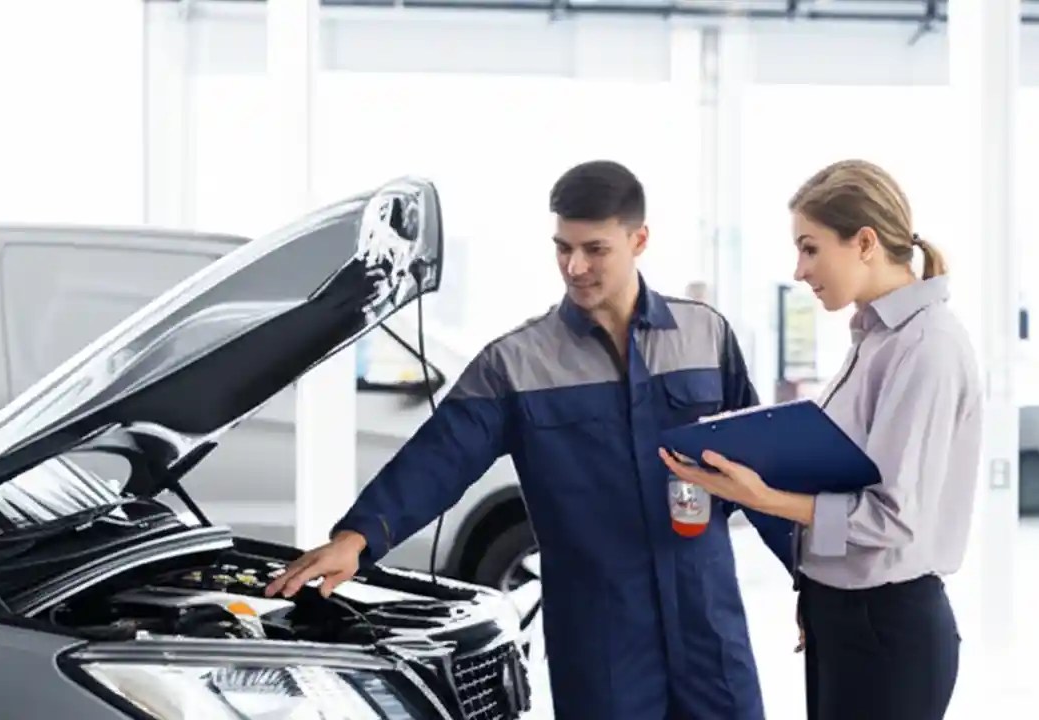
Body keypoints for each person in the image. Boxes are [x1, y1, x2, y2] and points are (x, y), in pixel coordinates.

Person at [266, 159, 792, 720]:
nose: (575, 266)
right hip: (601, 636)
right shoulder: (516, 364)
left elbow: (761, 470)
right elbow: (440, 455)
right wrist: (359, 536)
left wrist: (812, 580)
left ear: (639, 240)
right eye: (562, 247)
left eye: (595, 249)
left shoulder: (705, 336)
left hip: (708, 623)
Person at [660, 159, 983, 720]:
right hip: (844, 615)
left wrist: (761, 496)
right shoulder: (874, 340)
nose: (800, 269)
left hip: (885, 629)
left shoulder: (926, 346)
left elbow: (893, 519)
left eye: (810, 248)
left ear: (864, 242)